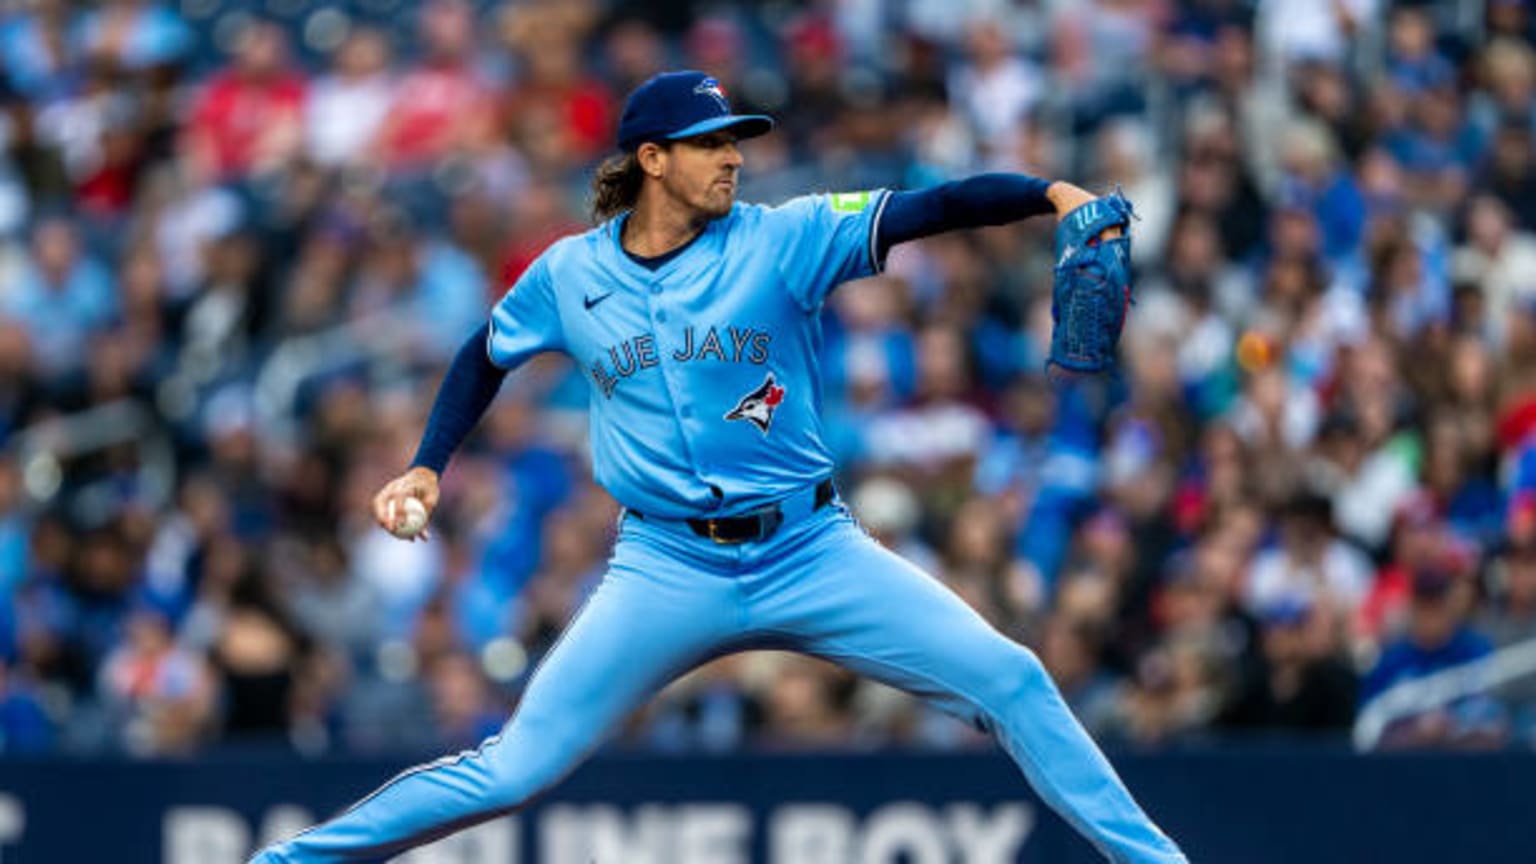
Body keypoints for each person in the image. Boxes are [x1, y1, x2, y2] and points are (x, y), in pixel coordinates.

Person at [251, 70, 1186, 863]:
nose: (733, 155)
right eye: (709, 143)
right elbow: (483, 354)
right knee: (514, 769)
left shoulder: (784, 237)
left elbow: (931, 207)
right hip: (666, 567)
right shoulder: (570, 274)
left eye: (736, 140)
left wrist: (1052, 195)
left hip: (811, 548)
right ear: (651, 160)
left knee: (1011, 677)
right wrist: (428, 465)